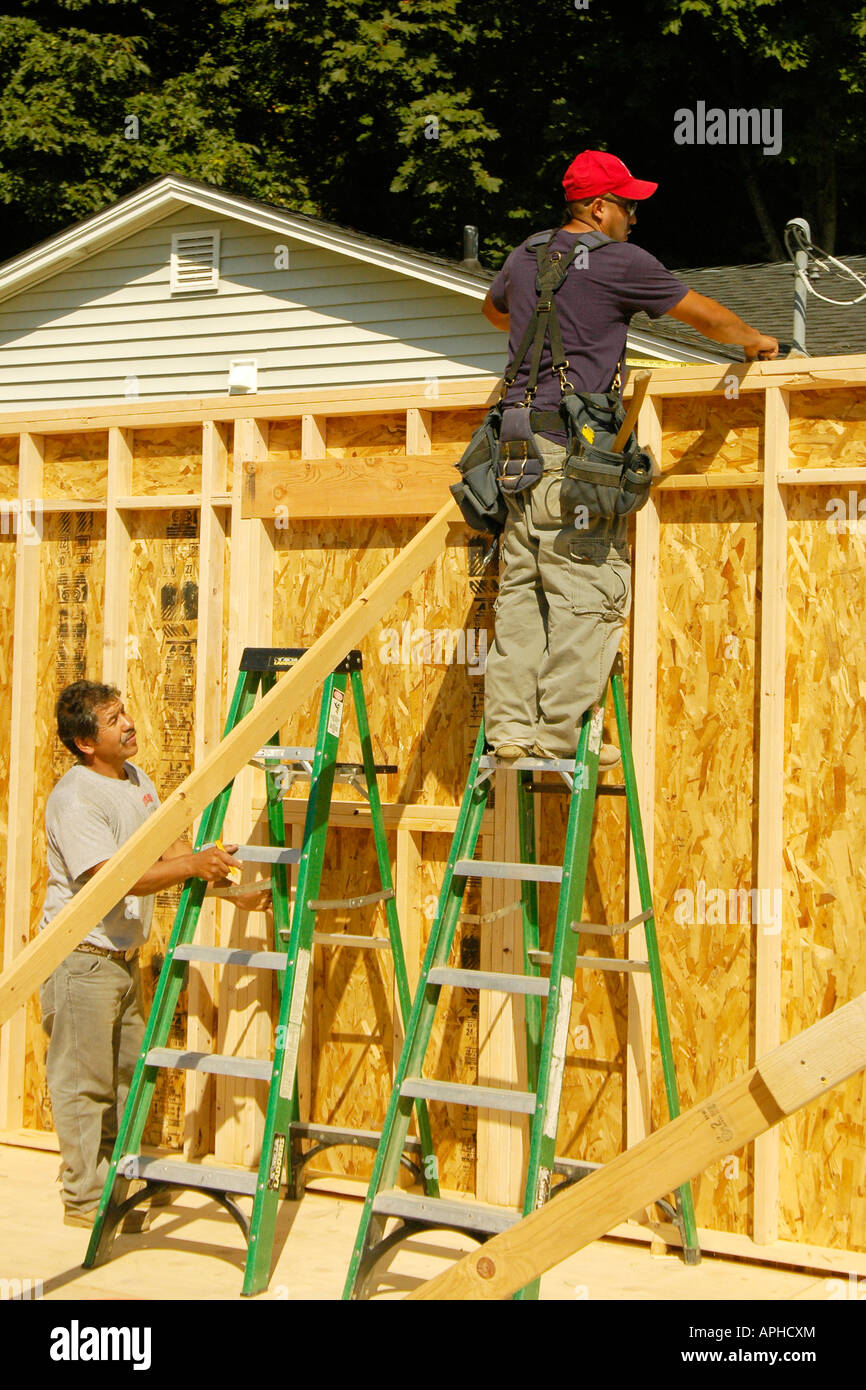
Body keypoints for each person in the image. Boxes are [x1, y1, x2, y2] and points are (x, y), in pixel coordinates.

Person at [482, 148, 778, 761]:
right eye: (628, 205)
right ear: (598, 207)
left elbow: (494, 311)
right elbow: (703, 316)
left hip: (514, 452)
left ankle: (510, 733)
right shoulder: (617, 260)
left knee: (522, 591)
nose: (634, 218)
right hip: (570, 452)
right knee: (589, 588)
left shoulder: (527, 253)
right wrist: (754, 340)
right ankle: (561, 737)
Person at [40, 680, 245, 1226]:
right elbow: (109, 880)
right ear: (87, 742)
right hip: (81, 958)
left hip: (122, 958)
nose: (128, 723)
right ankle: (86, 1202)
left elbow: (168, 844)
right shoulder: (76, 798)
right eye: (112, 720)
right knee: (84, 1084)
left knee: (125, 1076)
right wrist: (190, 866)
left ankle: (116, 1186)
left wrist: (221, 874)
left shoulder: (135, 779)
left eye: (123, 711)